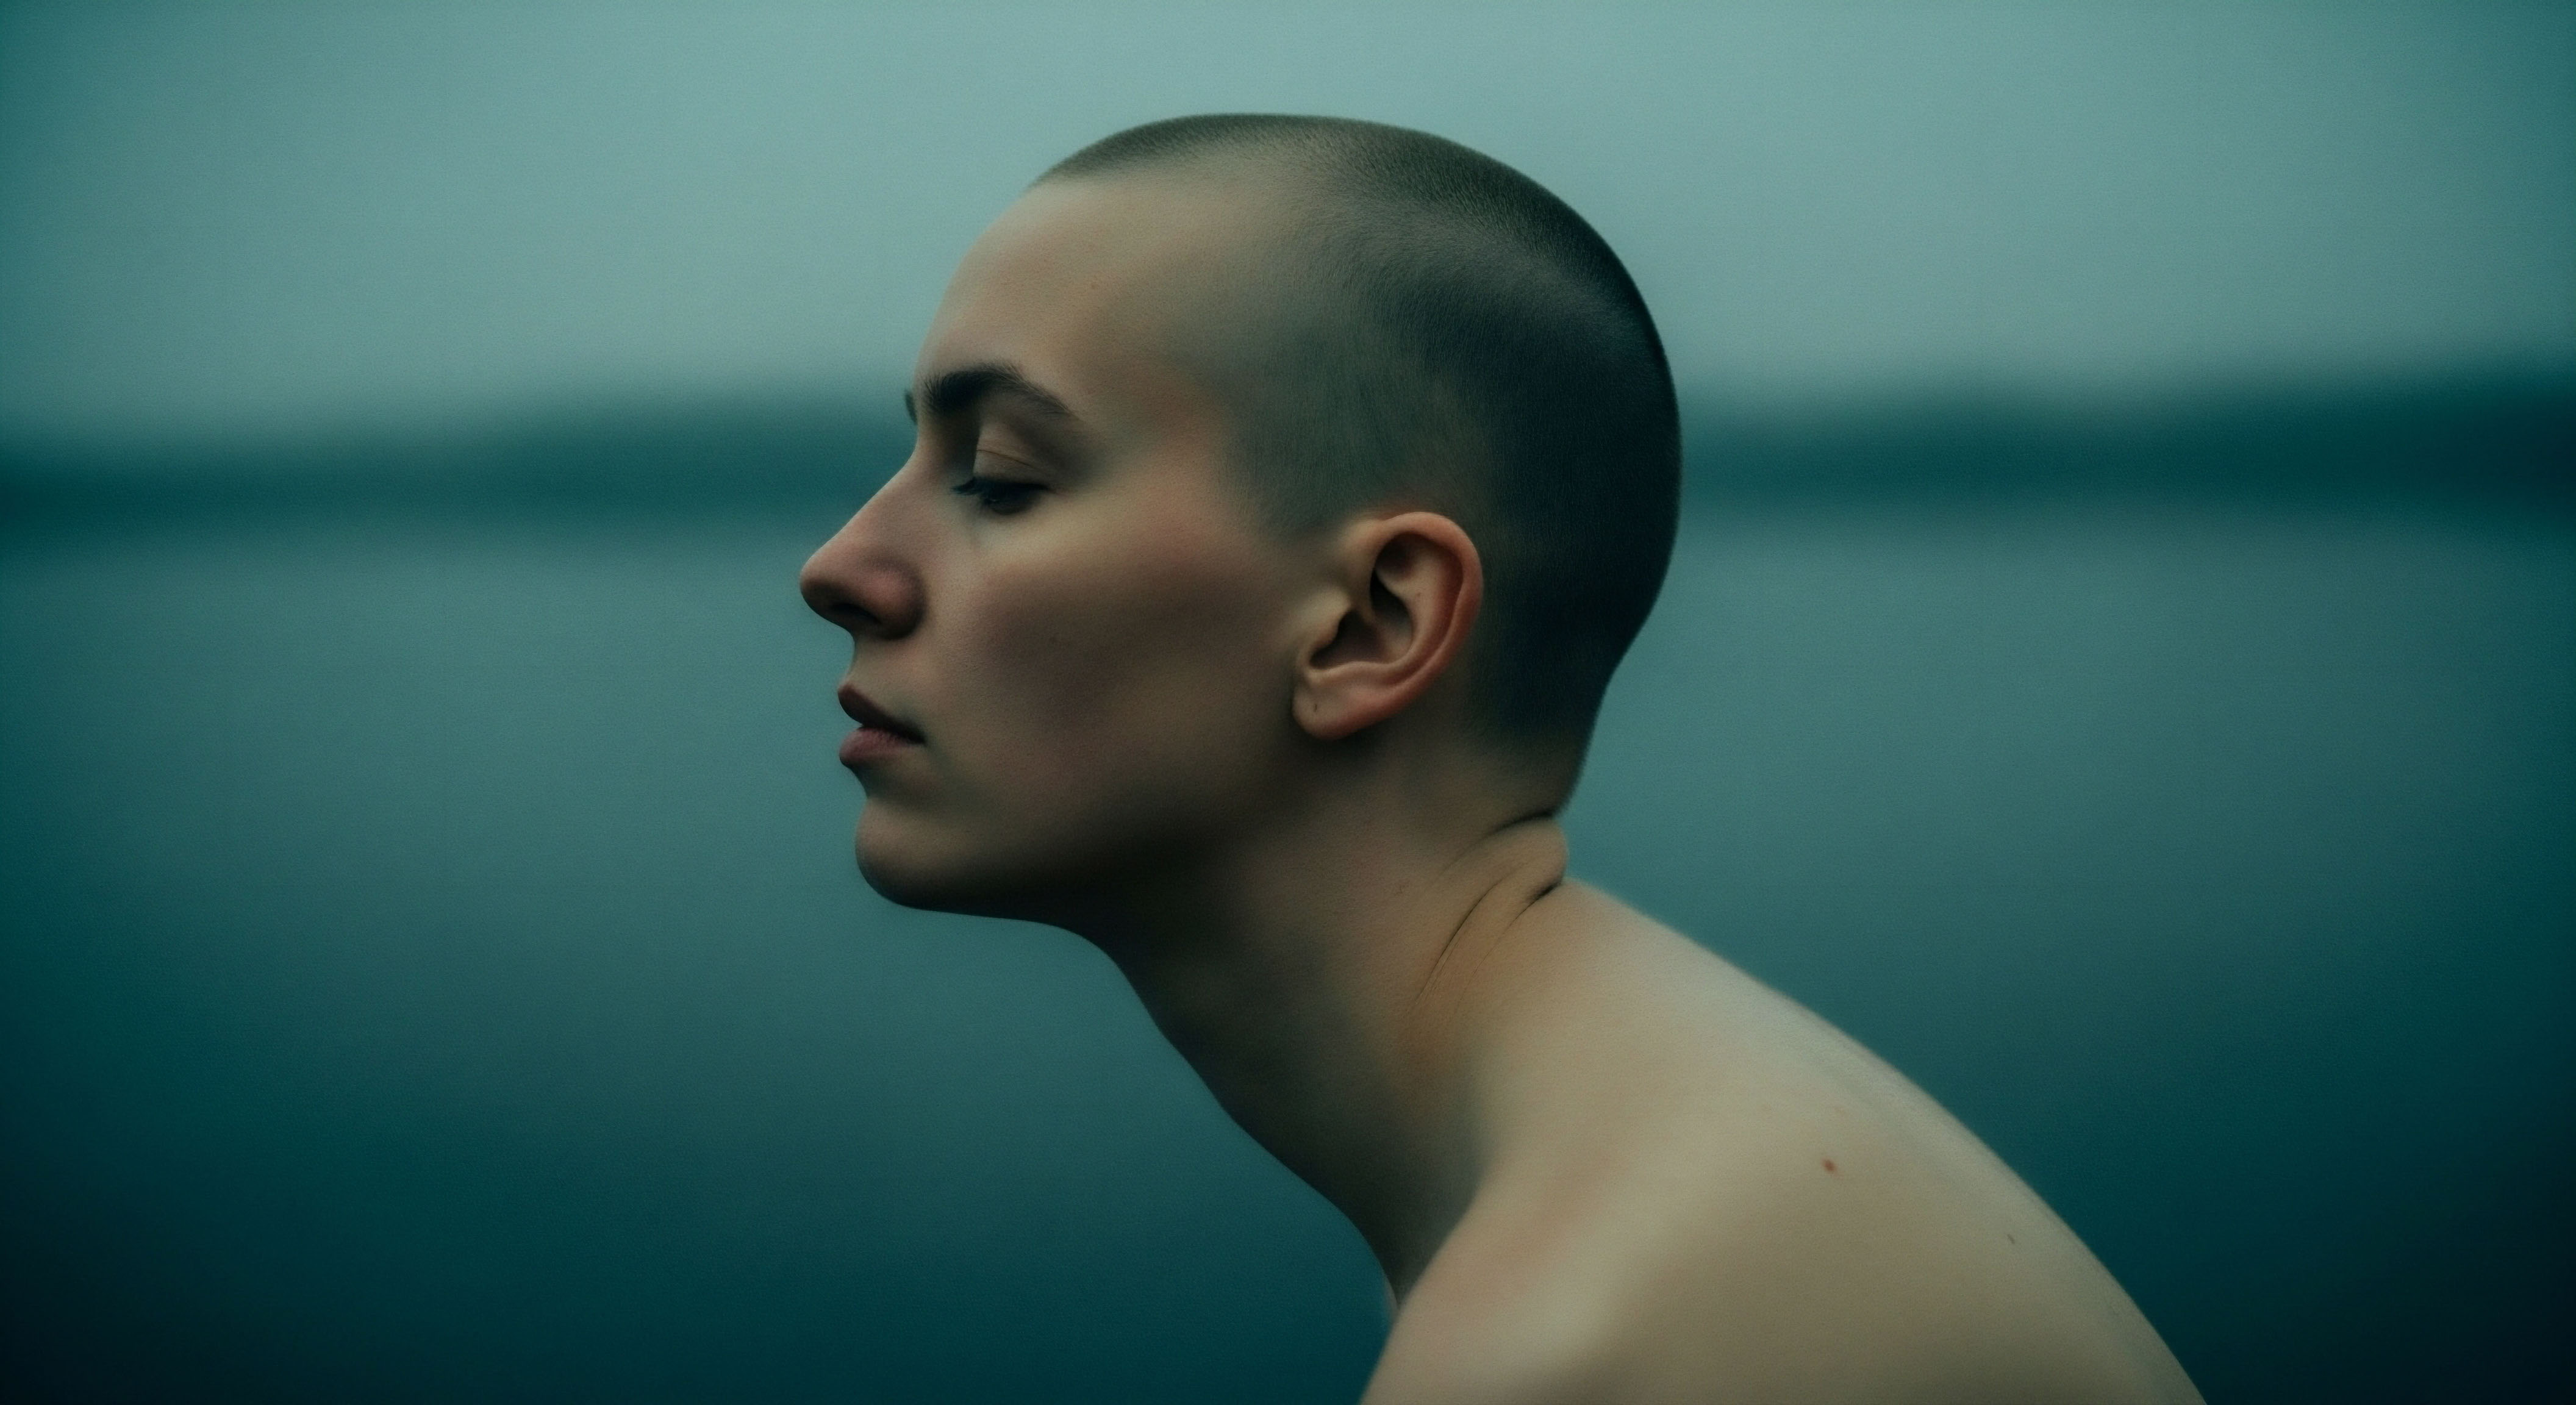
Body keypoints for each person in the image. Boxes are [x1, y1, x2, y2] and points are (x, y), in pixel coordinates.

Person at [800, 114, 2200, 1404]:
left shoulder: (1570, 1347)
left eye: (1000, 477)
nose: (842, 567)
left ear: (1370, 623)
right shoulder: (1659, 1119)